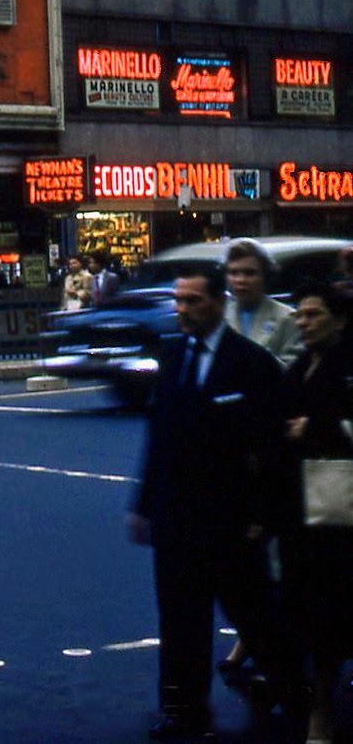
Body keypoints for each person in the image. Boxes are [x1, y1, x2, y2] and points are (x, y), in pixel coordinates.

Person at [126, 265, 298, 741]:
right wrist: (143, 503)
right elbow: (159, 437)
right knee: (180, 622)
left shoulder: (250, 363)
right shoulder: (173, 354)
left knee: (255, 616)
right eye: (178, 301)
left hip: (231, 522)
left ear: (217, 303)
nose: (182, 310)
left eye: (193, 301)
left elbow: (273, 451)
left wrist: (264, 518)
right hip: (177, 518)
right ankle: (181, 709)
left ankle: (298, 698)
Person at [275, 281, 353, 744]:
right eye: (299, 315)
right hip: (305, 511)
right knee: (313, 614)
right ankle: (318, 707)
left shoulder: (346, 369)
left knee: (335, 611)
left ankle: (321, 712)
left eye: (313, 314)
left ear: (339, 320)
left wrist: (319, 426)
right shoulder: (300, 367)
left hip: (343, 512)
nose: (302, 323)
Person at [223, 237, 303, 366]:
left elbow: (291, 370)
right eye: (233, 273)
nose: (240, 280)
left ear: (265, 275)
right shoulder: (220, 316)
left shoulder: (288, 318)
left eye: (250, 273)